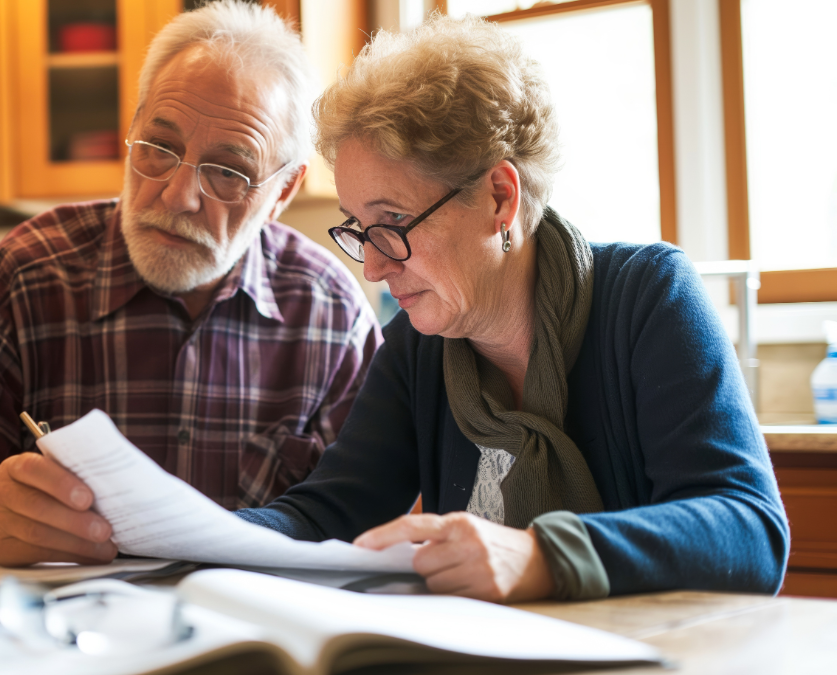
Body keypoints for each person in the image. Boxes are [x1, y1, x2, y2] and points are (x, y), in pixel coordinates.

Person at [237, 15, 789, 602]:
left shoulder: (647, 297)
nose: (372, 267)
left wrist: (541, 553)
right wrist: (175, 538)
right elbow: (325, 517)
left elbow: (748, 530)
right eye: (360, 229)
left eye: (394, 223)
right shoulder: (418, 347)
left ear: (500, 197)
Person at [0, 1, 382, 566]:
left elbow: (383, 519)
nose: (178, 196)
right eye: (158, 149)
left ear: (283, 191)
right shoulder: (28, 276)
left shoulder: (331, 316)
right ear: (130, 132)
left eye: (229, 171)